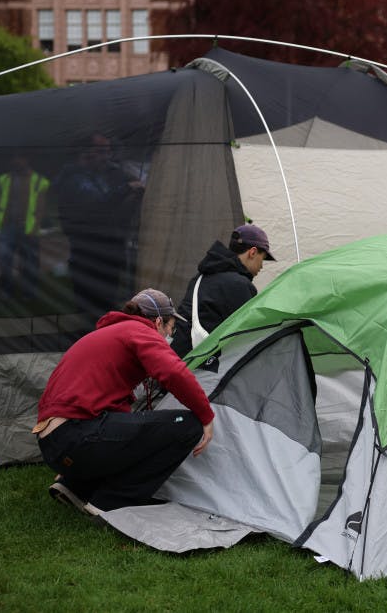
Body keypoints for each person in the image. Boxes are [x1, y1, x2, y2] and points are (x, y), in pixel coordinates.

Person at [33, 288, 215, 515]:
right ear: (158, 322)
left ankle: (74, 486)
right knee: (188, 426)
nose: (170, 334)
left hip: (53, 441)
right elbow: (174, 373)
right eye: (171, 327)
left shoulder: (108, 334)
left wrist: (68, 458)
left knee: (131, 429)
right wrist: (206, 415)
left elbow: (113, 414)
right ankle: (112, 501)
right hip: (76, 437)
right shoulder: (139, 331)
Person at [56, 133, 145, 320]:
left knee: (107, 304)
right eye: (102, 151)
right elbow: (97, 204)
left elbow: (112, 211)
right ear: (85, 153)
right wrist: (128, 188)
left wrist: (131, 197)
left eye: (108, 151)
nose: (107, 157)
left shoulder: (101, 176)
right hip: (89, 255)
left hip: (107, 252)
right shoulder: (74, 178)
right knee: (91, 309)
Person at [171, 223, 275, 358]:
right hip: (205, 364)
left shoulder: (200, 277)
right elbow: (249, 337)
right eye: (262, 259)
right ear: (253, 252)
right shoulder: (239, 285)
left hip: (179, 356)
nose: (261, 266)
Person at [0, 155, 50, 300]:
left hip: (28, 228)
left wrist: (35, 227)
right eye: (14, 158)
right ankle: (6, 291)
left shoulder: (38, 181)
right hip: (8, 227)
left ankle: (29, 292)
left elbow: (41, 207)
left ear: (27, 160)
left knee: (29, 262)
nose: (15, 161)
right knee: (4, 260)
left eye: (19, 158)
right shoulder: (5, 179)